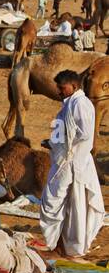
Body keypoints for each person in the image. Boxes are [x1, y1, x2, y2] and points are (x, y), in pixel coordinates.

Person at [39, 69, 105, 258]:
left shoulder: (79, 104)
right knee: (66, 205)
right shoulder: (71, 103)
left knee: (55, 202)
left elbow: (84, 133)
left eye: (62, 88)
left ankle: (66, 247)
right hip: (66, 161)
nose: (59, 92)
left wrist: (63, 142)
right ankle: (61, 246)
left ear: (73, 86)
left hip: (72, 162)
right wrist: (53, 143)